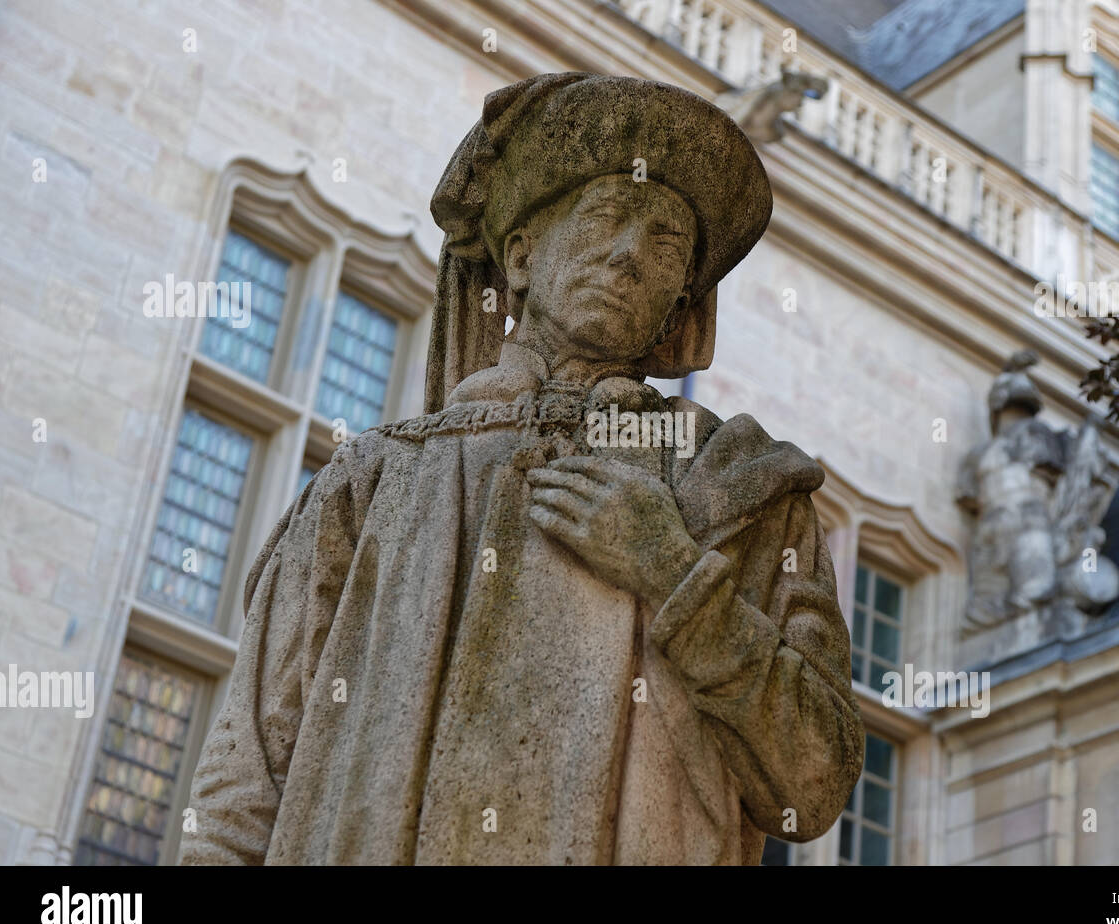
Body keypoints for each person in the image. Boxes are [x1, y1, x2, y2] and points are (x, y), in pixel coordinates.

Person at [181, 73, 864, 865]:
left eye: (665, 242)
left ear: (680, 306)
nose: (628, 255)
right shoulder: (371, 482)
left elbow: (811, 784)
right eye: (607, 216)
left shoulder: (744, 485)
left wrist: (677, 577)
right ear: (522, 255)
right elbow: (246, 780)